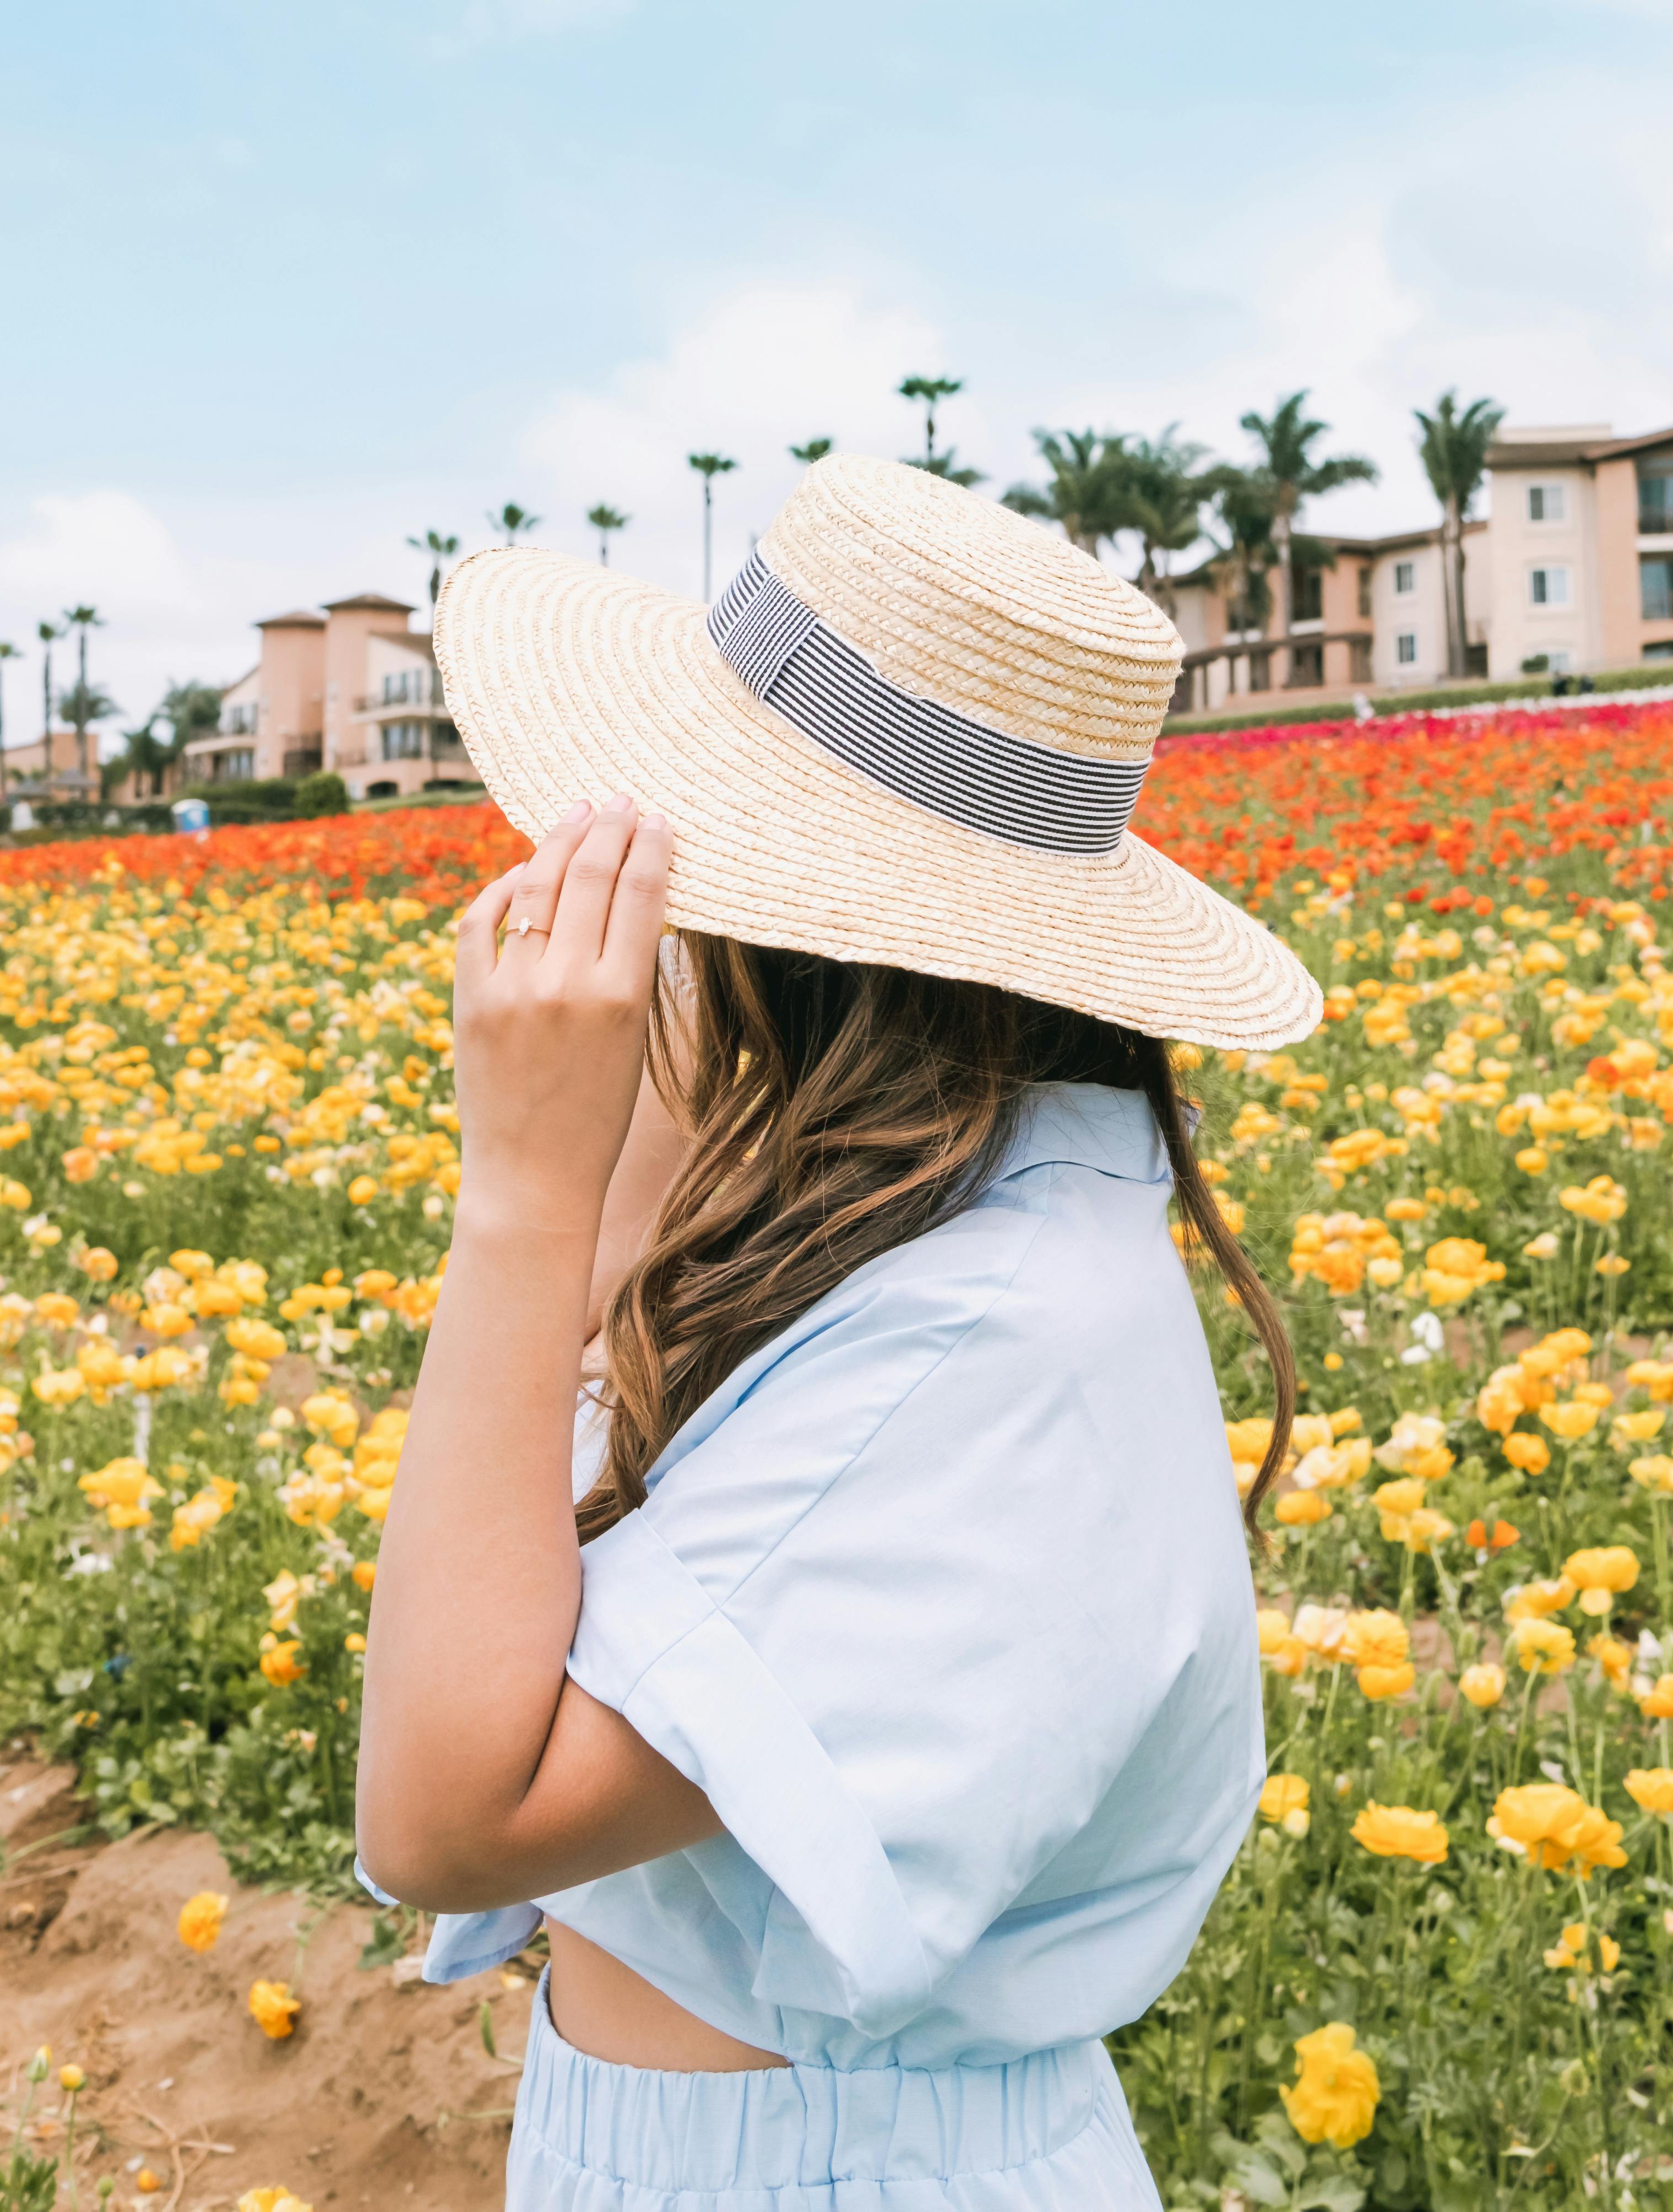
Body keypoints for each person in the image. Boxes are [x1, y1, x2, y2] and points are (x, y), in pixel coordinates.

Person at [356, 452, 1321, 2212]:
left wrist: (516, 1192)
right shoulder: (911, 1204)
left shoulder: (985, 1340)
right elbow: (597, 1375)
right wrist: (647, 1073)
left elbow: (442, 1813)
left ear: (801, 929)